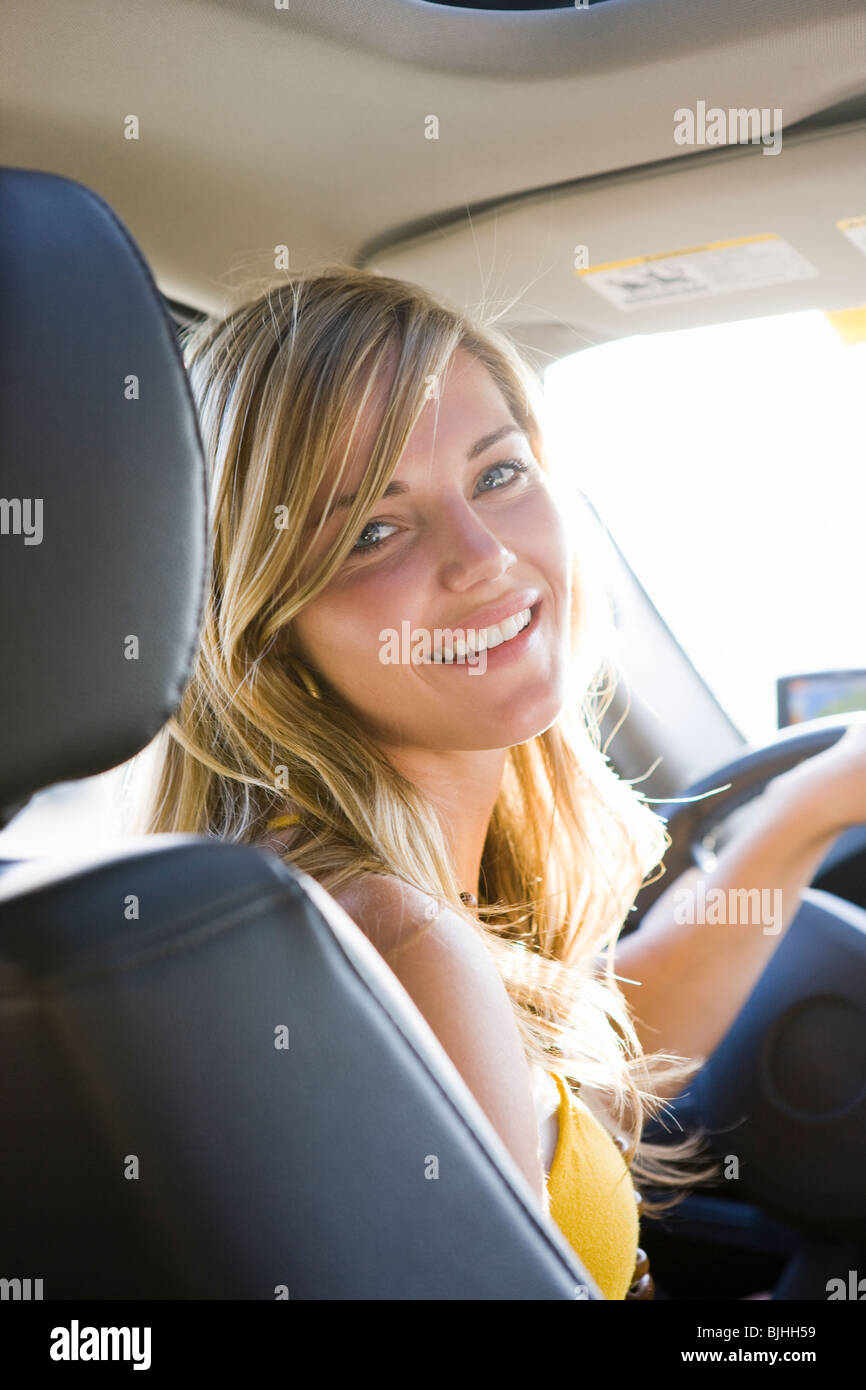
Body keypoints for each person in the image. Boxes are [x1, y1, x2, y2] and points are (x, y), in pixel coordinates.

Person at [133, 264, 866, 1299]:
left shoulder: (334, 894)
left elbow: (560, 1104)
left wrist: (812, 808)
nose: (481, 556)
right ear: (263, 616)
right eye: (371, 532)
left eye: (497, 474)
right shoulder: (397, 937)